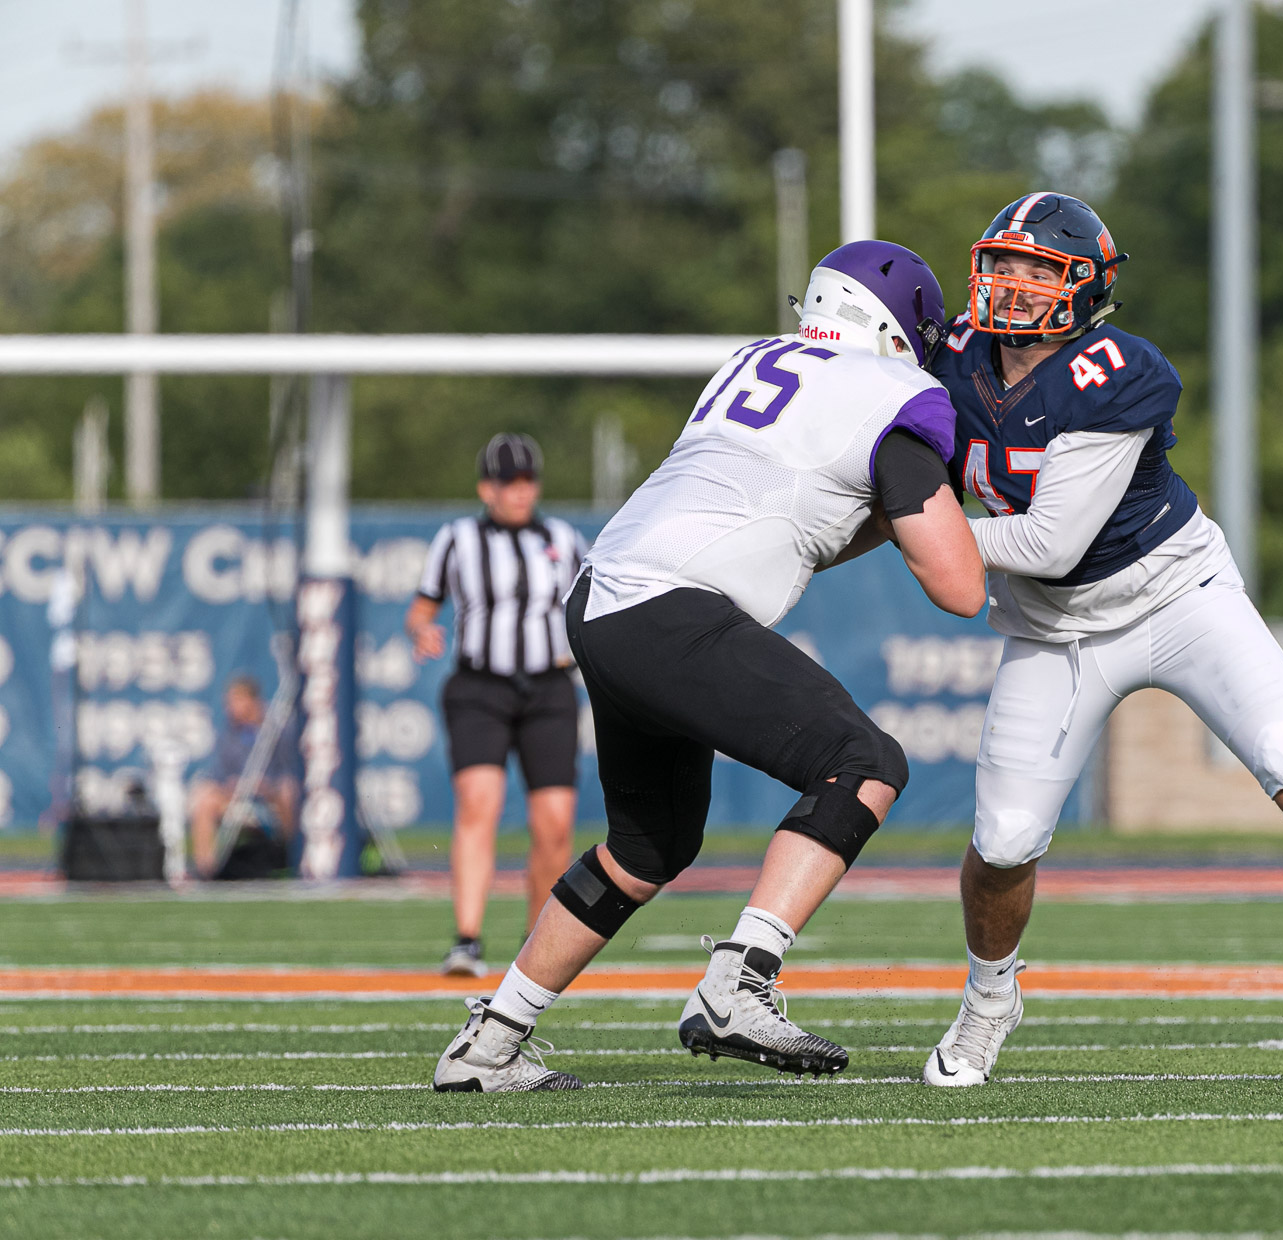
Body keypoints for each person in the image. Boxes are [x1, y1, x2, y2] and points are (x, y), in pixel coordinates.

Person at [919, 193, 1283, 1088]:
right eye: (1003, 263)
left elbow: (1046, 545)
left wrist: (911, 530)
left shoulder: (1117, 371)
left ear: (1084, 288)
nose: (1013, 283)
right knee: (1003, 844)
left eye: (1039, 268)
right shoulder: (946, 355)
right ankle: (991, 998)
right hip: (1055, 629)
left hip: (1176, 595)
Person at [431, 239, 984, 1092]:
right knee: (866, 762)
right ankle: (742, 979)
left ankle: (488, 1042)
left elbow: (797, 518)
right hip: (671, 608)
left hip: (603, 598)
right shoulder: (897, 394)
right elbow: (958, 586)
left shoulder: (752, 361)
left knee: (647, 847)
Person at [407, 434, 584, 978]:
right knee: (478, 804)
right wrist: (422, 631)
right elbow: (422, 607)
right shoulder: (457, 539)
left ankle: (536, 948)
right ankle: (467, 940)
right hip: (480, 688)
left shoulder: (564, 538)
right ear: (488, 488)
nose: (521, 492)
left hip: (550, 688)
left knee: (554, 822)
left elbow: (591, 604)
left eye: (528, 481)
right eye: (510, 482)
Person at [188, 673, 296, 877]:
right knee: (205, 800)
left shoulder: (277, 730)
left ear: (252, 701)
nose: (230, 708)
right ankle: (206, 870)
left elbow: (289, 771)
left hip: (271, 799)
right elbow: (219, 775)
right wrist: (233, 785)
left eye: (236, 701)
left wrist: (265, 786)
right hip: (238, 799)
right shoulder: (229, 734)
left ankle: (297, 855)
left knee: (288, 791)